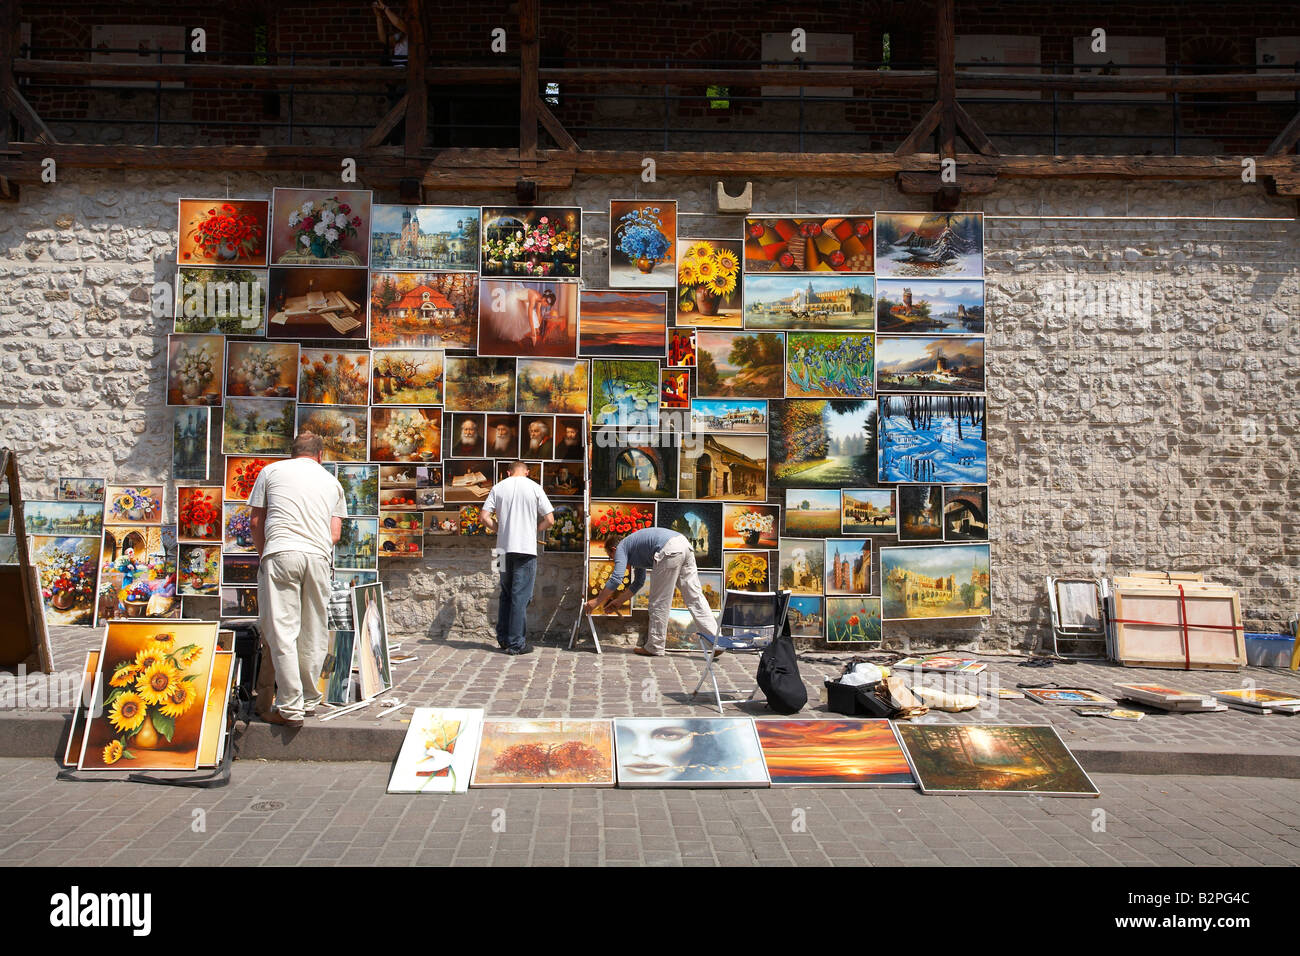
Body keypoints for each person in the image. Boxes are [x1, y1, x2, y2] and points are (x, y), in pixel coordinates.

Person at [248, 431, 347, 727]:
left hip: (281, 552)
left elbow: (256, 521)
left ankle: (290, 707)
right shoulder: (332, 482)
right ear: (320, 456)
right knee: (314, 629)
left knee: (283, 631)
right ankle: (309, 699)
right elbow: (335, 534)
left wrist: (266, 554)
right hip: (317, 557)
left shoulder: (271, 471)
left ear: (293, 452)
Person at [584, 527, 719, 657]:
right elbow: (638, 582)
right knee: (695, 597)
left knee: (658, 602)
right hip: (684, 545)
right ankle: (715, 641)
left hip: (668, 549)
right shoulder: (636, 549)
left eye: (611, 557)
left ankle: (655, 646)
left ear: (614, 549)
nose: (613, 560)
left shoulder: (621, 548)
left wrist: (596, 601)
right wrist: (619, 601)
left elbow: (616, 578)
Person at [480, 461, 556, 655]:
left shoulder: (498, 487)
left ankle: (503, 638)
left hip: (502, 550)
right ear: (528, 472)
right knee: (520, 596)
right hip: (525, 548)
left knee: (505, 593)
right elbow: (550, 519)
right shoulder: (534, 487)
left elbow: (484, 517)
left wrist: (500, 530)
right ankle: (516, 643)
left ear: (508, 472)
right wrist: (533, 531)